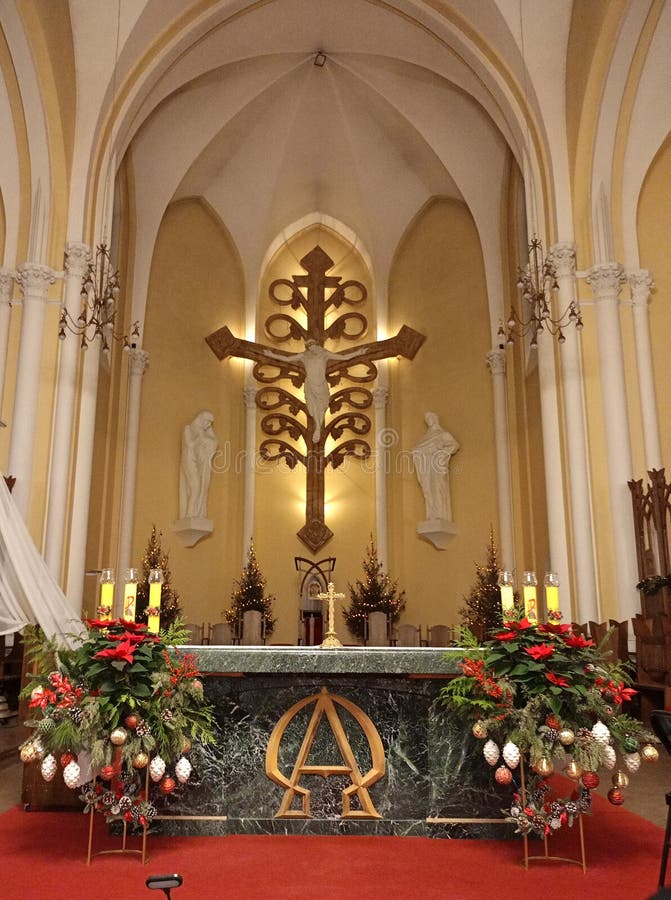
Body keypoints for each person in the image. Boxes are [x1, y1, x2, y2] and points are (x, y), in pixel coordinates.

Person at [265, 340, 366, 441]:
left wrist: (359, 353)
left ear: (317, 345)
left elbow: (343, 357)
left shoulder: (324, 354)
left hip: (321, 384)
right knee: (313, 408)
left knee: (322, 407)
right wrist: (271, 355)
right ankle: (317, 427)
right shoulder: (304, 356)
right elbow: (287, 359)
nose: (312, 349)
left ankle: (318, 428)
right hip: (310, 385)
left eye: (313, 346)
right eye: (310, 347)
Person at [411, 411, 460, 521]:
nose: (428, 420)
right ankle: (431, 515)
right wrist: (417, 452)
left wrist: (443, 453)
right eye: (426, 419)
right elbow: (417, 449)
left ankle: (441, 514)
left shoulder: (443, 434)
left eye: (430, 417)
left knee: (438, 487)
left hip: (438, 466)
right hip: (426, 466)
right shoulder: (424, 438)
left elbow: (455, 445)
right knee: (428, 489)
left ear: (435, 418)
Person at [179, 410, 218, 519]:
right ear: (201, 419)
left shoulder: (205, 432)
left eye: (211, 423)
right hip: (189, 461)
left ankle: (197, 513)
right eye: (207, 422)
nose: (209, 425)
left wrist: (206, 436)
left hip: (200, 463)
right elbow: (190, 445)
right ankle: (189, 514)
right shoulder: (188, 429)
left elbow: (214, 442)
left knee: (202, 487)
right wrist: (201, 438)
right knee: (195, 486)